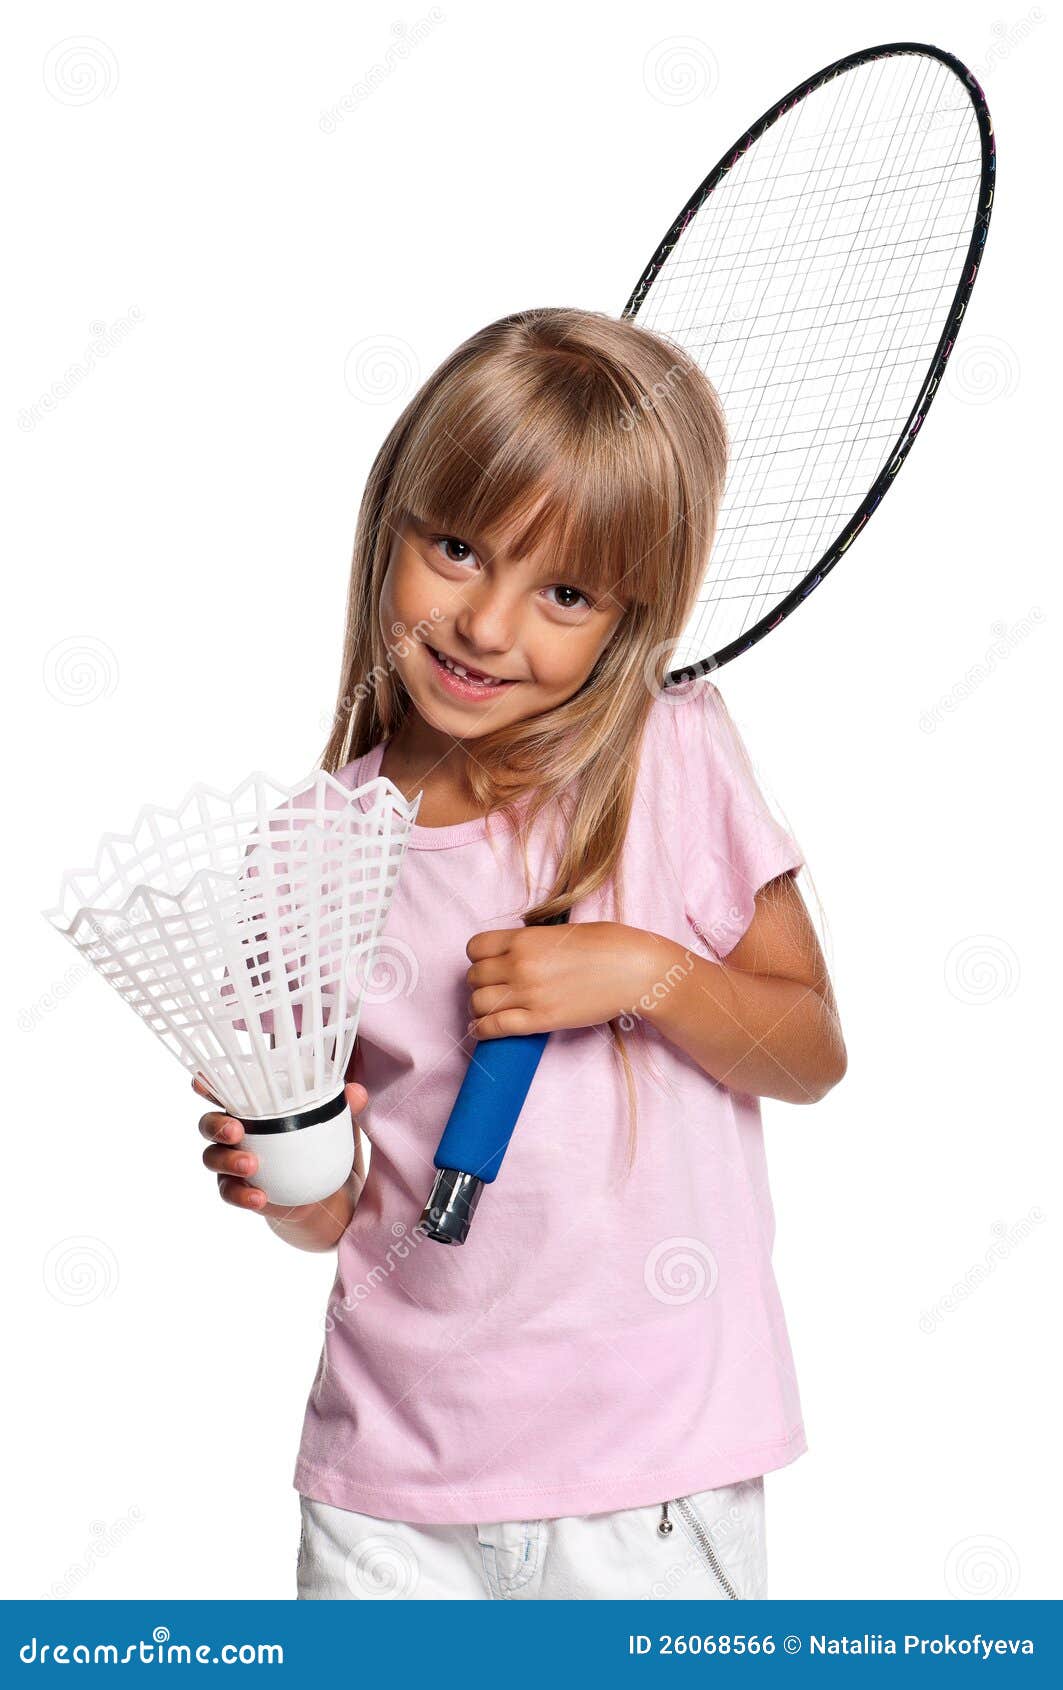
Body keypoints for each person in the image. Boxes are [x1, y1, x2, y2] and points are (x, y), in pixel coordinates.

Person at [195, 307, 847, 1600]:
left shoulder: (676, 758)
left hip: (652, 1480)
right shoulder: (317, 847)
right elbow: (337, 1218)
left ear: (628, 614)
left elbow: (812, 1050)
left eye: (562, 592)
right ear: (394, 520)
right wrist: (291, 1170)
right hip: (396, 1487)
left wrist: (648, 972)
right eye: (456, 548)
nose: (487, 625)